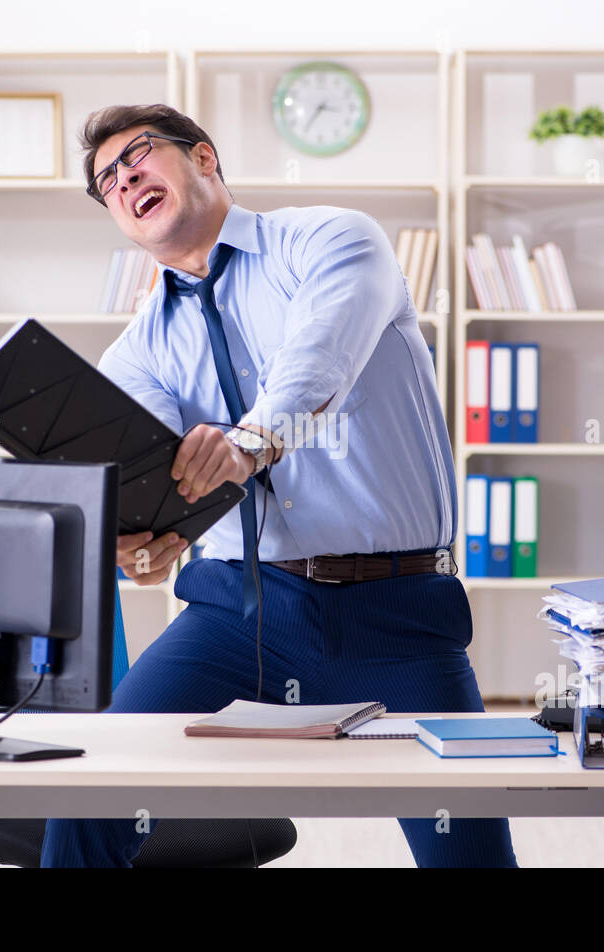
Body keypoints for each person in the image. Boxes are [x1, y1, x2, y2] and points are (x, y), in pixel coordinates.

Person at [41, 104, 517, 867]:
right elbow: (161, 473)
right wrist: (146, 537)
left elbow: (317, 359)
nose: (124, 178)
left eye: (138, 155)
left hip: (395, 615)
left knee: (470, 855)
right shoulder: (138, 350)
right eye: (106, 182)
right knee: (94, 791)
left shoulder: (332, 239)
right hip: (235, 613)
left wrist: (249, 442)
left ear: (204, 158)